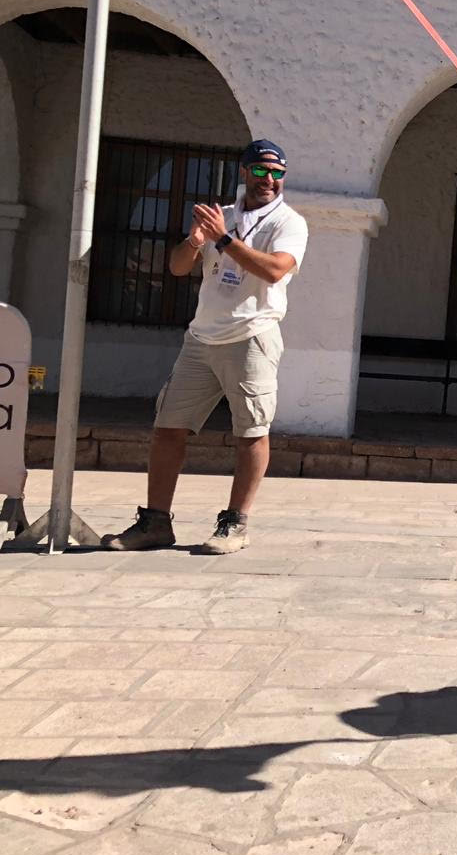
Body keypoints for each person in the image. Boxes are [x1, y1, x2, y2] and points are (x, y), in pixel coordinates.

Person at [103, 140, 310, 555]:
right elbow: (178, 267)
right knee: (167, 427)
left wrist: (224, 240)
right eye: (261, 170)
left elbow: (274, 271)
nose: (268, 179)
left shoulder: (289, 222)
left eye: (277, 173)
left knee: (251, 431)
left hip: (252, 336)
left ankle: (235, 524)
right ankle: (155, 522)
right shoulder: (224, 217)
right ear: (244, 172)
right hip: (201, 338)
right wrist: (197, 241)